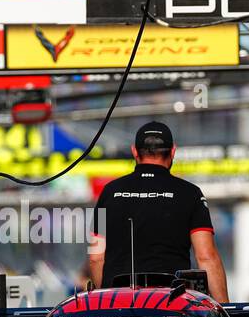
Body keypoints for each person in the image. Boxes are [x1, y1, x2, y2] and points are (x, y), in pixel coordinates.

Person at [87, 121, 229, 302]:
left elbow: (96, 257)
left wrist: (106, 297)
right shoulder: (190, 193)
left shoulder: (109, 192)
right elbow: (206, 256)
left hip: (118, 304)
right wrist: (226, 311)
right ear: (173, 151)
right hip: (171, 306)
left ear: (135, 151)